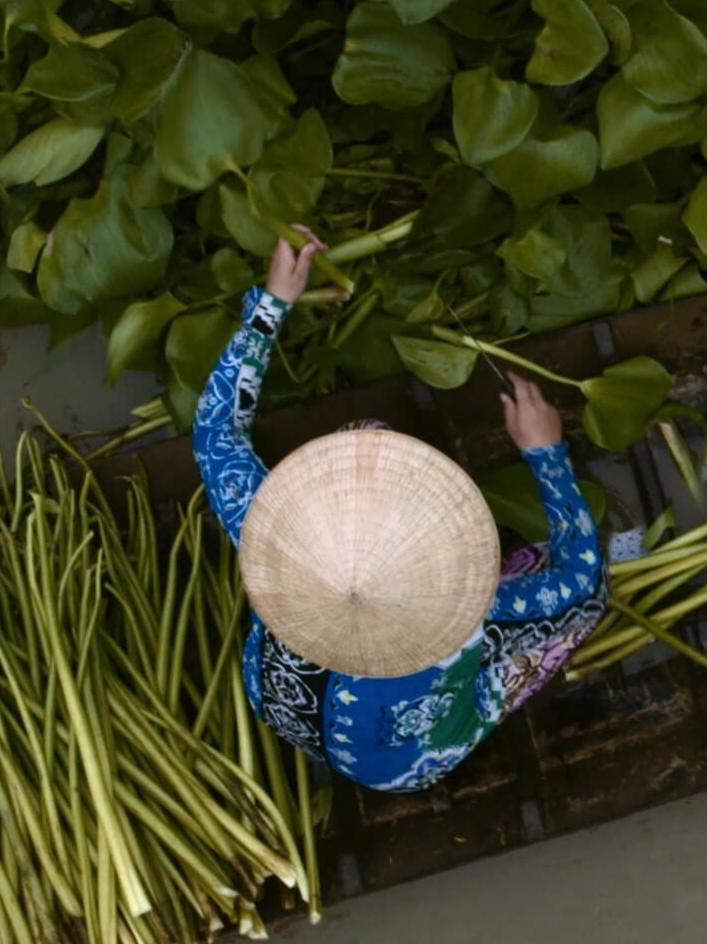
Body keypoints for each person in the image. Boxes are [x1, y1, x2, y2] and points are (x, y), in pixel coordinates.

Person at [194, 227, 608, 793]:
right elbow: (587, 588)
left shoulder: (271, 535)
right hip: (396, 764)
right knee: (557, 607)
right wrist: (547, 455)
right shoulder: (475, 623)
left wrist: (272, 304)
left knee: (362, 439)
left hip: (278, 701)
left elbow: (216, 429)